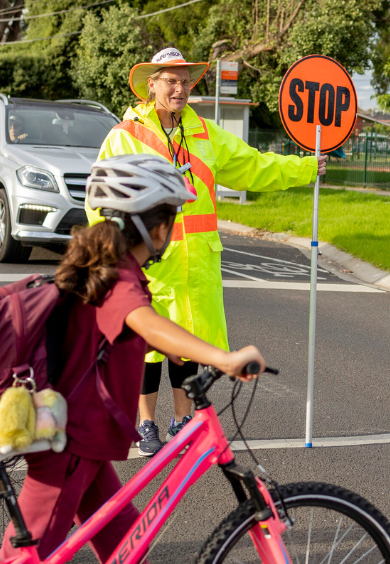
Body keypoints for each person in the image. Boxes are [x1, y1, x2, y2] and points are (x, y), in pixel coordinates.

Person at [0, 153, 267, 561]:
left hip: (86, 441)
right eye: (172, 220)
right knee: (24, 557)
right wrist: (223, 358)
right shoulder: (119, 278)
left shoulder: (111, 268)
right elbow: (146, 322)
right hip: (70, 446)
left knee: (126, 545)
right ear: (156, 229)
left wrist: (166, 348)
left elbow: (117, 332)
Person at [87, 47, 324, 457]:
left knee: (187, 346)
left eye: (185, 82)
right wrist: (113, 252)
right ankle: (146, 423)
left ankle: (182, 421)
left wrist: (304, 168)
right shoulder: (124, 135)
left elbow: (254, 166)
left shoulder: (204, 133)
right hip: (149, 263)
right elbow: (98, 198)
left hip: (197, 264)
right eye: (170, 81)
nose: (179, 89)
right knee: (146, 348)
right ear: (152, 85)